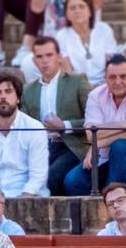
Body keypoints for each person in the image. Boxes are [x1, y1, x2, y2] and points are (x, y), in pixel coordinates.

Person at [63, 55, 126, 196]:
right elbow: (91, 133)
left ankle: (112, 201)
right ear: (105, 78)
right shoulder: (95, 95)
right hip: (104, 156)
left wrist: (96, 144)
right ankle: (95, 211)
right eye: (112, 77)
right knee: (73, 181)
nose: (118, 82)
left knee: (120, 146)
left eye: (123, 76)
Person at [23, 36, 91, 196]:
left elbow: (94, 119)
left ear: (59, 57)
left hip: (72, 145)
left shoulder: (77, 81)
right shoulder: (28, 90)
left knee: (52, 175)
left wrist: (65, 125)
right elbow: (23, 123)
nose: (44, 61)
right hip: (41, 147)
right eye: (39, 57)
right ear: (34, 61)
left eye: (49, 55)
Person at [0, 71, 48, 197]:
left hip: (30, 197)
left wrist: (24, 199)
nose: (3, 97)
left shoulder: (35, 128)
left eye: (8, 91)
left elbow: (38, 175)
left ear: (18, 98)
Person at [53, 0, 118, 88]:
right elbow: (67, 70)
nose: (77, 11)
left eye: (82, 6)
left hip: (106, 85)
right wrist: (84, 89)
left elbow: (111, 63)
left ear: (90, 11)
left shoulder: (104, 30)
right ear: (66, 14)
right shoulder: (62, 36)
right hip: (76, 87)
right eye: (72, 8)